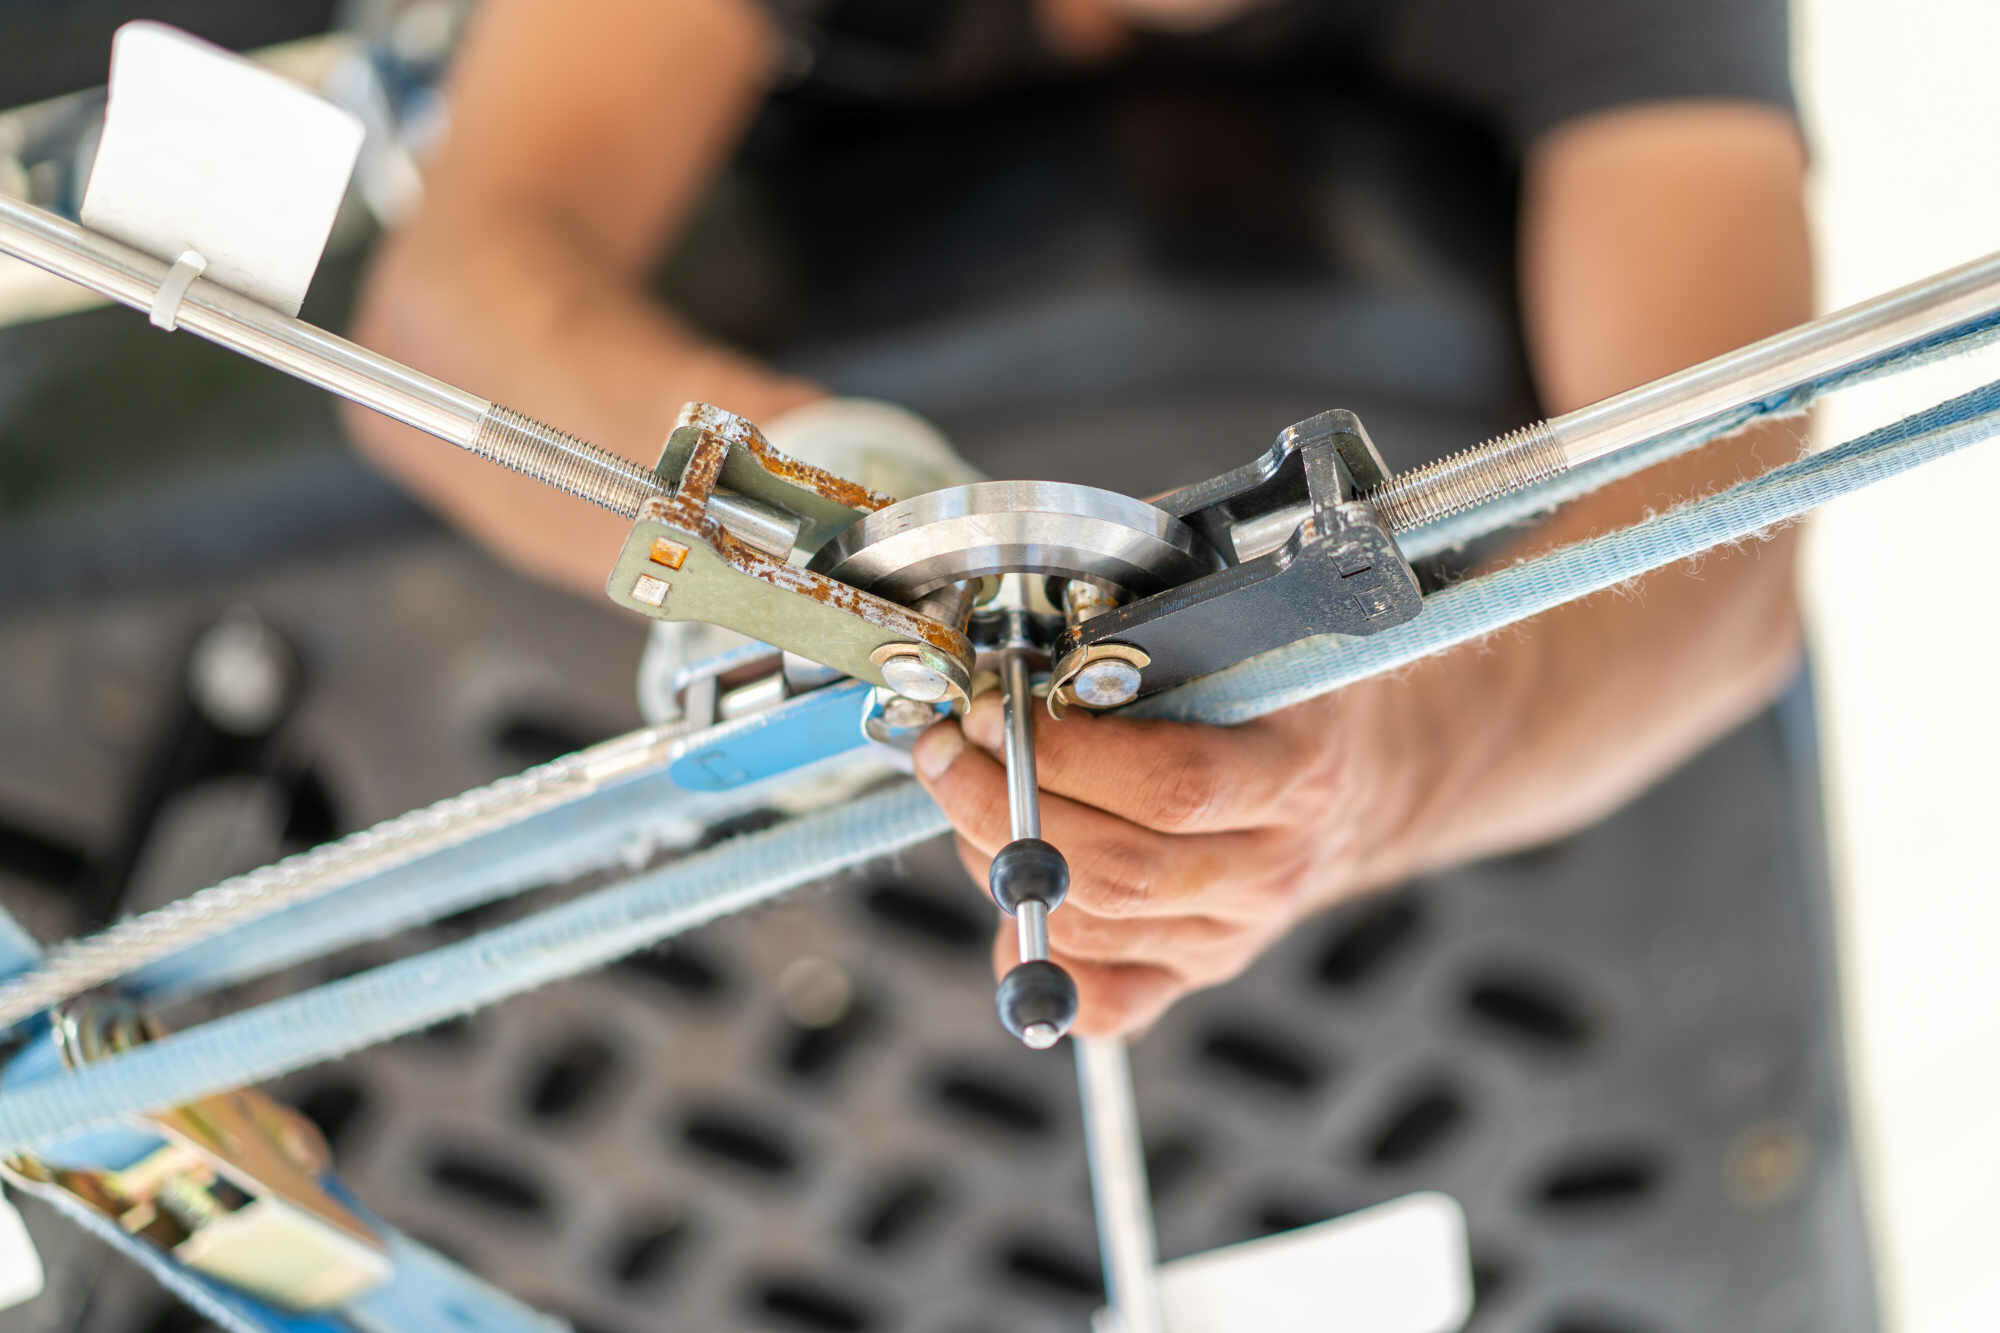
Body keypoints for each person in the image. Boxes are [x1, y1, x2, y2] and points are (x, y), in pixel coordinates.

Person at [344, 0, 1810, 1041]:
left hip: (1459, 978)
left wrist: (1367, 775)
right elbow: (448, 317)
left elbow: (1715, 548)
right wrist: (843, 517)